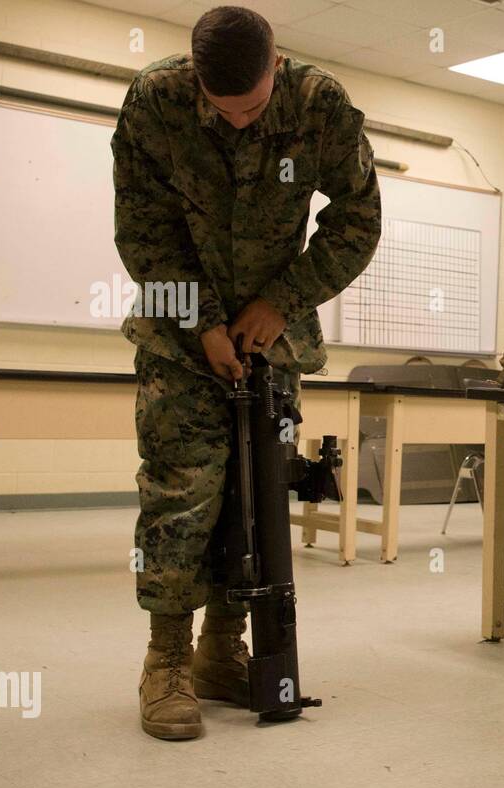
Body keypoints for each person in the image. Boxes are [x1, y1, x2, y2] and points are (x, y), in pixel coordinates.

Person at [113, 5, 382, 739]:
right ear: (196, 81)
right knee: (179, 494)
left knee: (254, 493)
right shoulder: (155, 99)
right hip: (179, 339)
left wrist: (281, 302)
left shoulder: (319, 104)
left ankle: (221, 651)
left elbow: (358, 218)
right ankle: (164, 662)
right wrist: (200, 320)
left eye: (253, 108)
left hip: (272, 342)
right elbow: (141, 226)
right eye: (220, 109)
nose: (236, 123)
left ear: (277, 66)